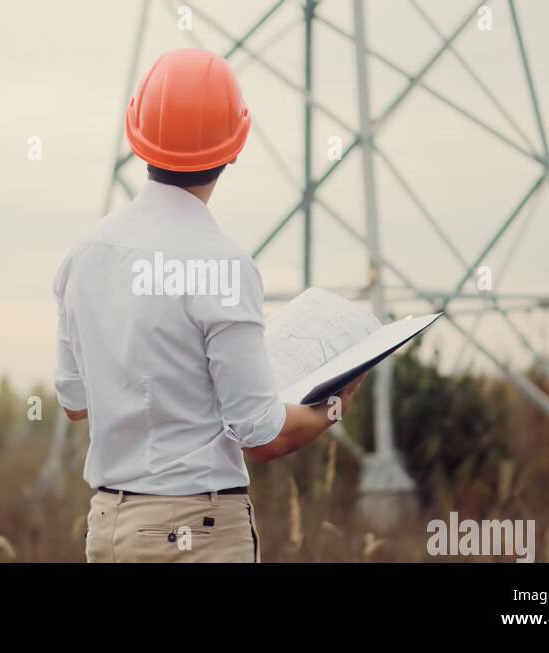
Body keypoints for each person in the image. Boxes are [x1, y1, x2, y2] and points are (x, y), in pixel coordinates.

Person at [53, 48, 364, 563]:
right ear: (236, 148)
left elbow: (74, 403)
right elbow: (260, 434)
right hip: (197, 535)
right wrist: (336, 405)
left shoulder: (84, 257)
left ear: (137, 138)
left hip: (110, 530)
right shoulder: (224, 266)